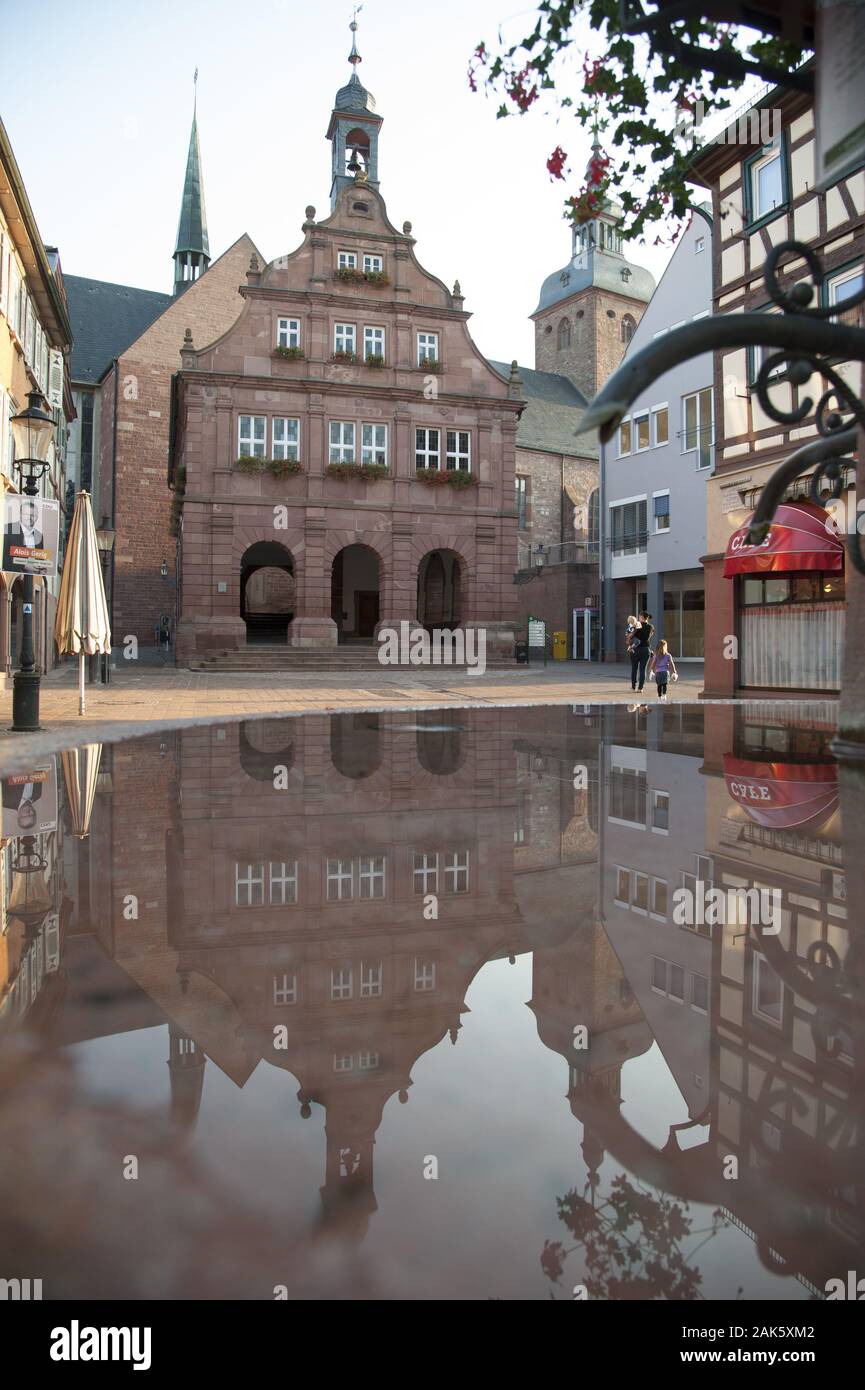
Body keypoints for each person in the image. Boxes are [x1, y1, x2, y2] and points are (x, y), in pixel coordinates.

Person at [629, 610, 654, 693]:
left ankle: (633, 686)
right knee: (643, 669)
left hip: (635, 649)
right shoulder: (651, 627)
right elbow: (649, 636)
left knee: (634, 669)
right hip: (645, 649)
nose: (638, 618)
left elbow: (630, 635)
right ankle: (640, 688)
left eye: (639, 617)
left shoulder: (636, 625)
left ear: (642, 617)